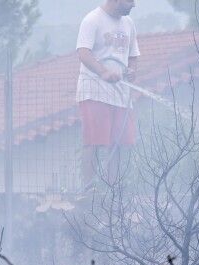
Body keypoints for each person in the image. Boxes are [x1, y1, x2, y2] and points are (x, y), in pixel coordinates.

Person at [76, 0, 140, 188]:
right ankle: (88, 192)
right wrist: (103, 71)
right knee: (94, 142)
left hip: (121, 94)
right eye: (130, 0)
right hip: (95, 91)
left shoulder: (129, 24)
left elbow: (133, 56)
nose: (133, 5)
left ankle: (114, 192)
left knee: (120, 144)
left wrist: (132, 71)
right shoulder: (92, 20)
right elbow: (83, 53)